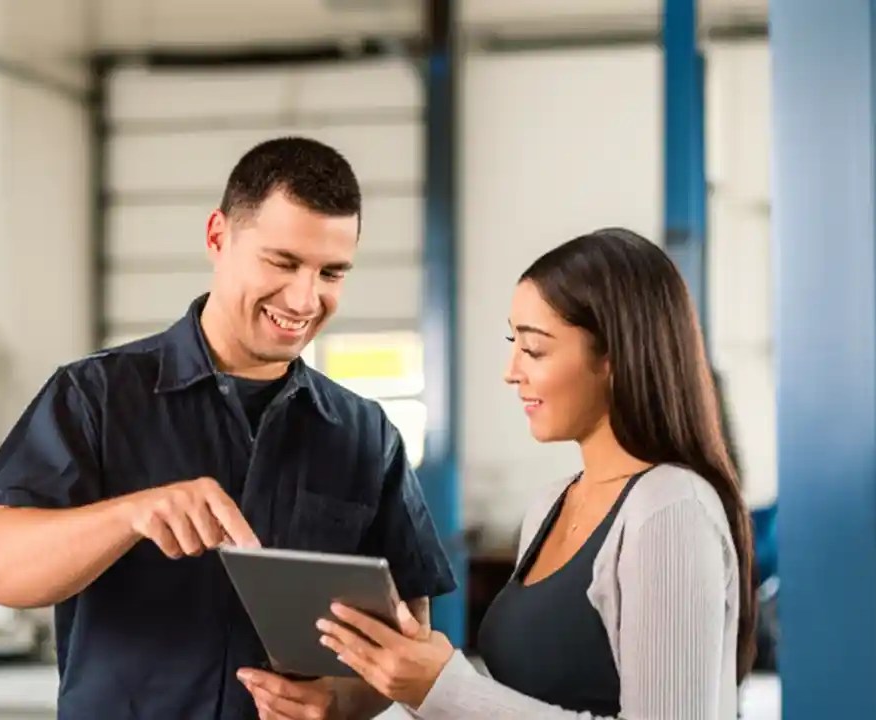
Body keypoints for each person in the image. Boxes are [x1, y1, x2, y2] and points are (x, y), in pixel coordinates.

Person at [0, 136, 457, 719]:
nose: (305, 298)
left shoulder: (364, 436)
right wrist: (131, 515)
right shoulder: (96, 397)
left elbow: (407, 636)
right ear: (218, 237)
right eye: (283, 262)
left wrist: (338, 702)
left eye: (331, 272)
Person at [317, 227, 756, 718]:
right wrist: (408, 683)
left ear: (613, 356)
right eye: (514, 343)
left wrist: (446, 688)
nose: (511, 371)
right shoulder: (551, 505)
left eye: (534, 349)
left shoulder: (670, 508)